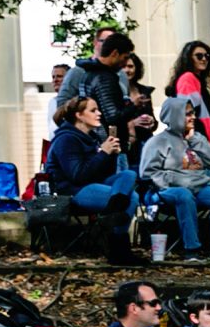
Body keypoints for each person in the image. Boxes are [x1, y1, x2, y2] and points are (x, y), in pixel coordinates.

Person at [140, 96, 210, 263]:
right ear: (174, 116)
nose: (193, 117)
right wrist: (180, 179)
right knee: (184, 195)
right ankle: (192, 249)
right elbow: (148, 174)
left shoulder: (195, 138)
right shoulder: (157, 142)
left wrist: (195, 141)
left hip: (197, 188)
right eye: (187, 114)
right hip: (164, 191)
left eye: (193, 113)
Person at [45, 97, 139, 263]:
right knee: (132, 198)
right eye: (93, 110)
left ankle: (111, 215)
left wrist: (111, 155)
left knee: (129, 175)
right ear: (79, 115)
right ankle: (119, 249)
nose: (99, 113)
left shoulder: (91, 137)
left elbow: (103, 173)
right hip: (74, 191)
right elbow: (78, 176)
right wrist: (103, 152)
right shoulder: (66, 139)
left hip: (95, 185)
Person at [57, 33, 152, 147]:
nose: (125, 63)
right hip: (107, 144)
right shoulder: (104, 78)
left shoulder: (89, 72)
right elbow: (113, 117)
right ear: (115, 53)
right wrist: (134, 105)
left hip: (95, 140)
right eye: (125, 57)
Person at [165, 40, 210, 148]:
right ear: (189, 58)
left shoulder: (196, 80)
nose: (204, 59)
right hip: (199, 142)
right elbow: (190, 116)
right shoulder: (188, 79)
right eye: (199, 56)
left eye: (207, 56)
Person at [121, 52, 157, 168]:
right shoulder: (114, 92)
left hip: (146, 144)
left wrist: (151, 121)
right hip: (128, 146)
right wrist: (133, 123)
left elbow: (155, 123)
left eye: (130, 66)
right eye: (123, 66)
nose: (127, 70)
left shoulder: (144, 91)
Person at [45, 63, 70, 141]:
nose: (55, 80)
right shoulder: (52, 102)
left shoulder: (74, 102)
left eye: (59, 76)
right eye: (53, 77)